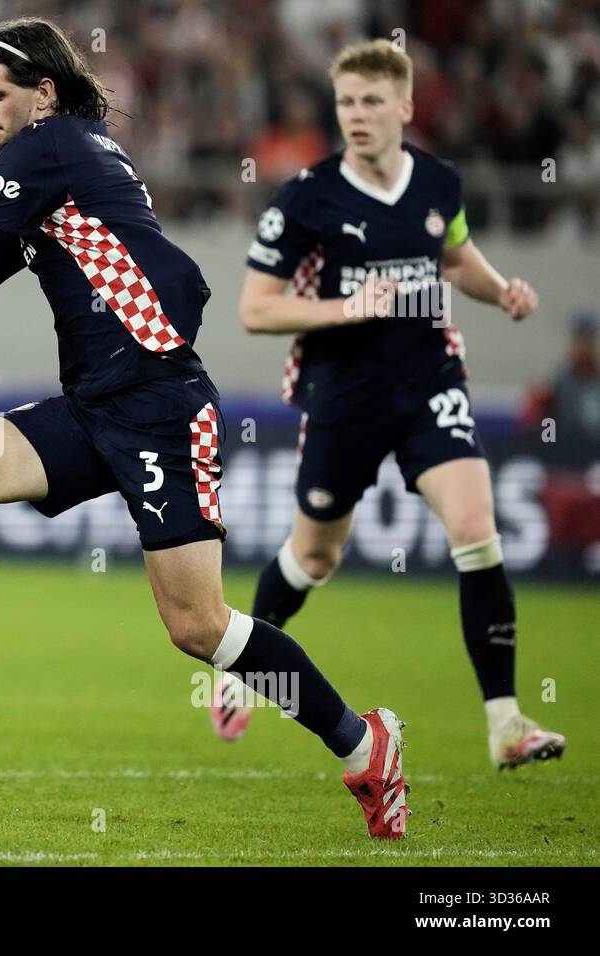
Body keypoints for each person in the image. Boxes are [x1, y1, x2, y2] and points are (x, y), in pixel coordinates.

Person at [0, 18, 410, 838]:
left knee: (197, 626)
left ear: (43, 94)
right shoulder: (74, 152)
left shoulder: (48, 148)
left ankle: (363, 741)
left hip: (160, 407)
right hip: (97, 404)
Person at [227, 39, 565, 770]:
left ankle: (506, 723)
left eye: (372, 101)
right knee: (315, 555)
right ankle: (245, 659)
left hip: (429, 384)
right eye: (346, 102)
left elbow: (455, 257)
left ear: (406, 107)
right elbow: (255, 310)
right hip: (343, 397)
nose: (357, 115)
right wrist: (347, 309)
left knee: (476, 530)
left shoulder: (439, 183)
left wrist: (501, 287)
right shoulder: (307, 197)